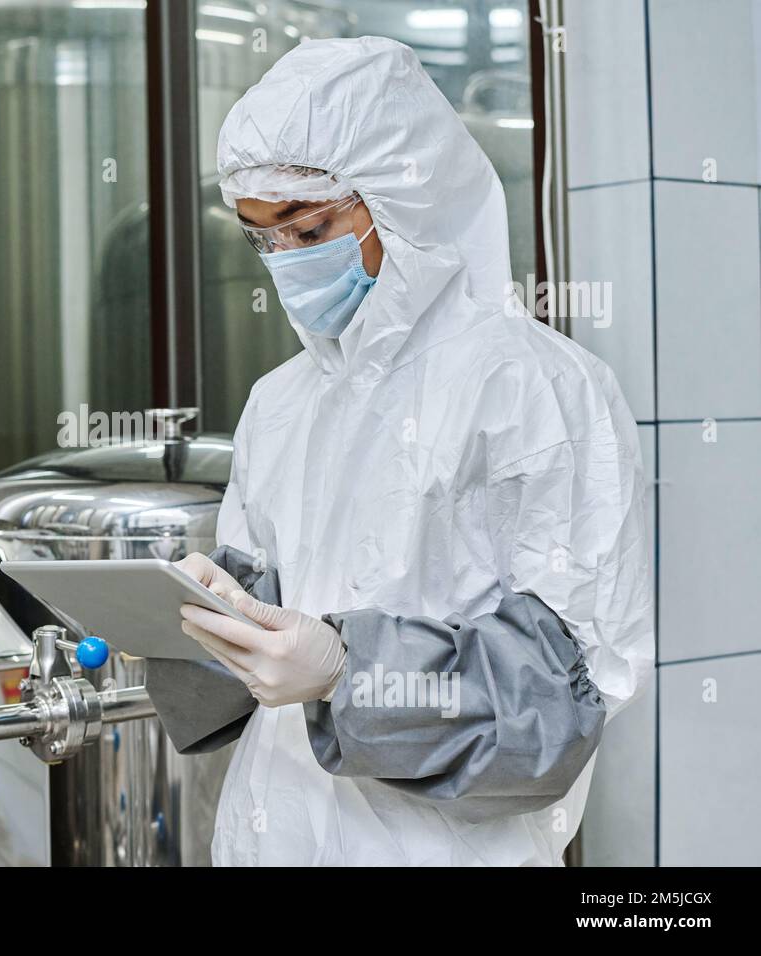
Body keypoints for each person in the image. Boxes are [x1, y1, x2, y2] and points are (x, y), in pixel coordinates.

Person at [147, 36, 654, 866]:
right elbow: (261, 660)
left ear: (403, 199)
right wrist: (201, 619)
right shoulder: (280, 403)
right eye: (258, 239)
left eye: (306, 227)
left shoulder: (538, 389)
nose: (285, 262)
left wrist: (352, 674)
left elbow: (568, 699)